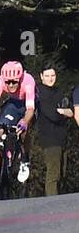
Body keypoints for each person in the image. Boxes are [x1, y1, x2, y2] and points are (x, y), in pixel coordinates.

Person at [0, 60, 36, 195]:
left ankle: (25, 158)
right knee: (1, 130)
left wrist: (24, 121)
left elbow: (30, 110)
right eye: (8, 82)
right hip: (14, 103)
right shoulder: (0, 81)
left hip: (29, 103)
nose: (11, 85)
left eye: (14, 82)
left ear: (20, 79)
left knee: (24, 130)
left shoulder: (28, 81)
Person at [36, 67, 68, 197]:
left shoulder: (59, 92)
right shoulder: (40, 93)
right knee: (53, 174)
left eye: (53, 75)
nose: (50, 78)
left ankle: (59, 202)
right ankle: (52, 203)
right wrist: (62, 113)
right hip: (49, 139)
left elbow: (70, 110)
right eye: (47, 75)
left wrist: (63, 112)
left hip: (62, 138)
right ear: (41, 76)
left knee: (62, 173)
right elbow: (53, 115)